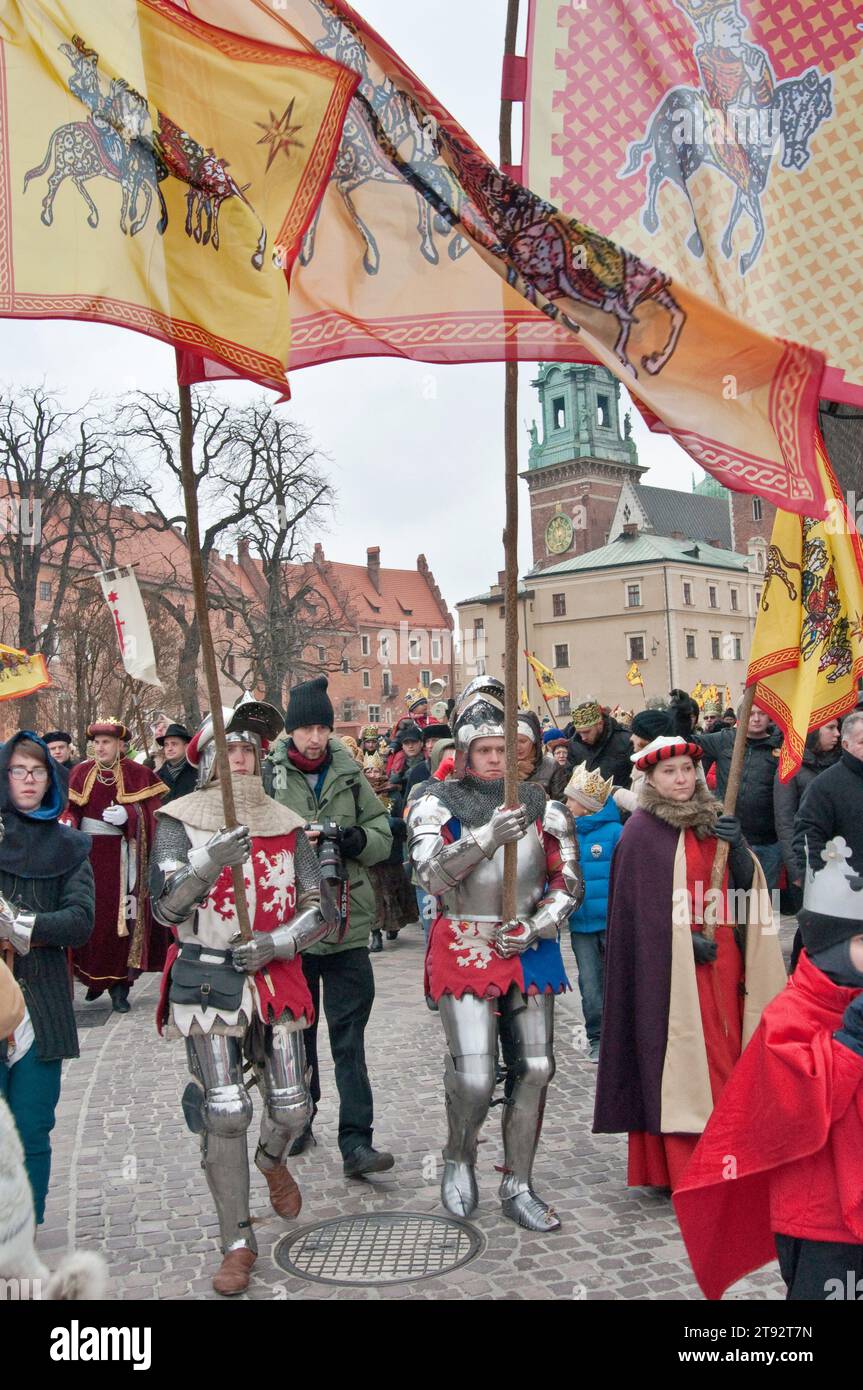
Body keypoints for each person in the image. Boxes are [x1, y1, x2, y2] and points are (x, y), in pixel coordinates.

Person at [150, 701, 339, 1296]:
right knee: (226, 1108)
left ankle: (272, 1160)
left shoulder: (284, 821)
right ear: (208, 760)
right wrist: (208, 862)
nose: (239, 760)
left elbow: (321, 909)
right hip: (206, 973)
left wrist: (278, 941)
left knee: (292, 1106)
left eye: (247, 752)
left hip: (274, 973)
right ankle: (237, 1240)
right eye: (228, 751)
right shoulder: (176, 819)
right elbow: (165, 908)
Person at [407, 676, 583, 1230]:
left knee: (535, 1066)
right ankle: (460, 1155)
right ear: (463, 754)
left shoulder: (545, 808)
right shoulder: (435, 805)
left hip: (526, 940)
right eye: (483, 750)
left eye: (503, 749)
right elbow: (429, 875)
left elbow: (568, 883)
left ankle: (519, 1181)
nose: (493, 758)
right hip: (465, 938)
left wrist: (536, 926)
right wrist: (486, 837)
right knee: (478, 1076)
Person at [674, 833, 863, 1301]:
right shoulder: (790, 1015)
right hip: (821, 1218)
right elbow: (800, 1111)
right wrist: (852, 1042)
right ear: (833, 948)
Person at [594, 735, 786, 1191]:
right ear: (651, 779)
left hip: (725, 961)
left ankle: (735, 1151)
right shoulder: (641, 834)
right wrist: (678, 940)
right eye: (669, 772)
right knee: (693, 1062)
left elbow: (746, 896)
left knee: (731, 1053)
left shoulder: (713, 820)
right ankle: (692, 1164)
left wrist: (738, 849)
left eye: (687, 770)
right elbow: (635, 919)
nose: (681, 779)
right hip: (673, 975)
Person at [267, 676, 394, 1172]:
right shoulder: (269, 773)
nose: (315, 738)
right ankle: (301, 1118)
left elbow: (385, 833)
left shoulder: (348, 771)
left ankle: (356, 1142)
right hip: (292, 930)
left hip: (345, 927)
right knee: (297, 1034)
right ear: (291, 731)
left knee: (349, 1038)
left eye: (322, 727)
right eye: (306, 729)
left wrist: (353, 839)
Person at [0, 732, 94, 1224]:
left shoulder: (70, 846)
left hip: (42, 1004)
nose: (29, 779)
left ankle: (23, 1231)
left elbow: (80, 920)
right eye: (18, 770)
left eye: (37, 770)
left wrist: (19, 925)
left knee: (32, 1127)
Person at [67, 718, 166, 1013]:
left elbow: (154, 815)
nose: (100, 747)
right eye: (96, 742)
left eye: (106, 742)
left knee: (122, 922)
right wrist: (69, 823)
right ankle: (94, 979)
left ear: (121, 745)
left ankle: (120, 987)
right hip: (87, 859)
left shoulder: (138, 774)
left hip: (124, 862)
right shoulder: (80, 772)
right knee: (91, 921)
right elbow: (70, 809)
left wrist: (130, 817)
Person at [563, 764, 622, 1063]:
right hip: (581, 924)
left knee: (617, 980)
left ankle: (621, 1037)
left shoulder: (616, 833)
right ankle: (596, 1035)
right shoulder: (566, 832)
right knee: (590, 984)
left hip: (612, 922)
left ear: (587, 803)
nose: (567, 805)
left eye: (571, 799)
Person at [695, 698, 783, 891]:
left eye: (762, 714)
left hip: (768, 841)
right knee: (735, 903)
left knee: (764, 905)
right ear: (740, 717)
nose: (756, 719)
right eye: (751, 714)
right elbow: (689, 744)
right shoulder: (724, 740)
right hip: (731, 838)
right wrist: (683, 717)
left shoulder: (781, 746)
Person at [774, 719, 841, 909]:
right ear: (812, 731)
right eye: (830, 728)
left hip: (840, 860)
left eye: (838, 728)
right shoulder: (791, 767)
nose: (837, 733)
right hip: (807, 860)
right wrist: (796, 872)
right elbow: (785, 821)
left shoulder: (842, 764)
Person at [793, 711, 863, 881]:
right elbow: (809, 841)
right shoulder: (824, 786)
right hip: (847, 891)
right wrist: (821, 884)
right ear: (846, 745)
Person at [567, 699, 633, 789]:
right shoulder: (574, 744)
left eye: (587, 732)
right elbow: (568, 778)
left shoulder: (625, 740)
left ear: (600, 724)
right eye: (579, 732)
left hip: (620, 800)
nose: (583, 737)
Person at [154, 722, 196, 803]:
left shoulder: (198, 773)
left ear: (186, 746)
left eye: (174, 744)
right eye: (166, 745)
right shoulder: (156, 777)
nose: (169, 748)